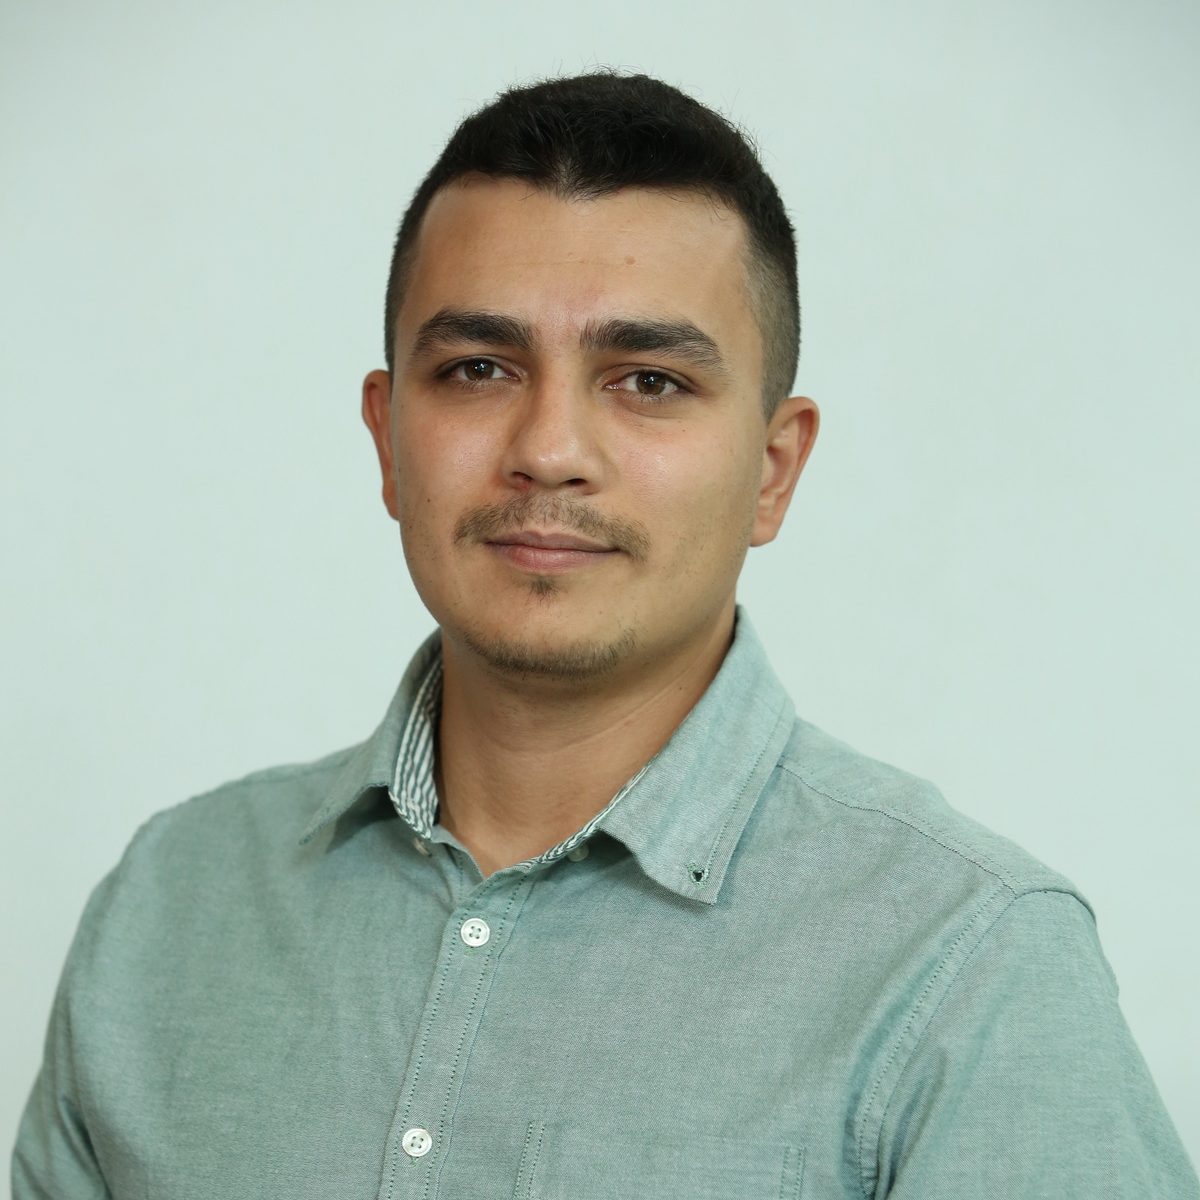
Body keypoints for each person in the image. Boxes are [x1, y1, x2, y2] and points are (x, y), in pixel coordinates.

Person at [12, 70, 1197, 1199]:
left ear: (773, 469)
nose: (549, 449)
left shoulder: (971, 965)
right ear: (387, 438)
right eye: (479, 367)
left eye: (648, 381)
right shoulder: (168, 906)